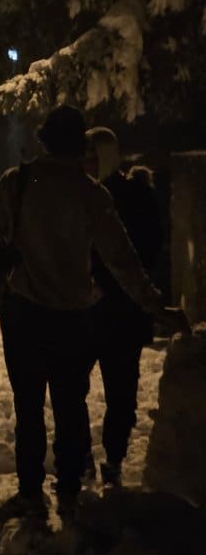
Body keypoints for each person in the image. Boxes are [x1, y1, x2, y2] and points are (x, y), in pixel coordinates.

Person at [0, 105, 167, 518]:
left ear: (43, 139)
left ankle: (29, 492)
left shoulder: (19, 182)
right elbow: (123, 260)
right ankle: (68, 491)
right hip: (73, 318)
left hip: (24, 314)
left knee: (28, 407)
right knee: (70, 406)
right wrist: (155, 305)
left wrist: (4, 289)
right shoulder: (91, 194)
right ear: (80, 145)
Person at [84, 127, 161, 488]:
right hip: (87, 309)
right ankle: (80, 455)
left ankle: (112, 459)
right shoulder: (79, 194)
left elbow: (143, 251)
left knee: (121, 394)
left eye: (94, 157)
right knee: (71, 388)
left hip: (120, 313)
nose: (88, 163)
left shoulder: (132, 197)